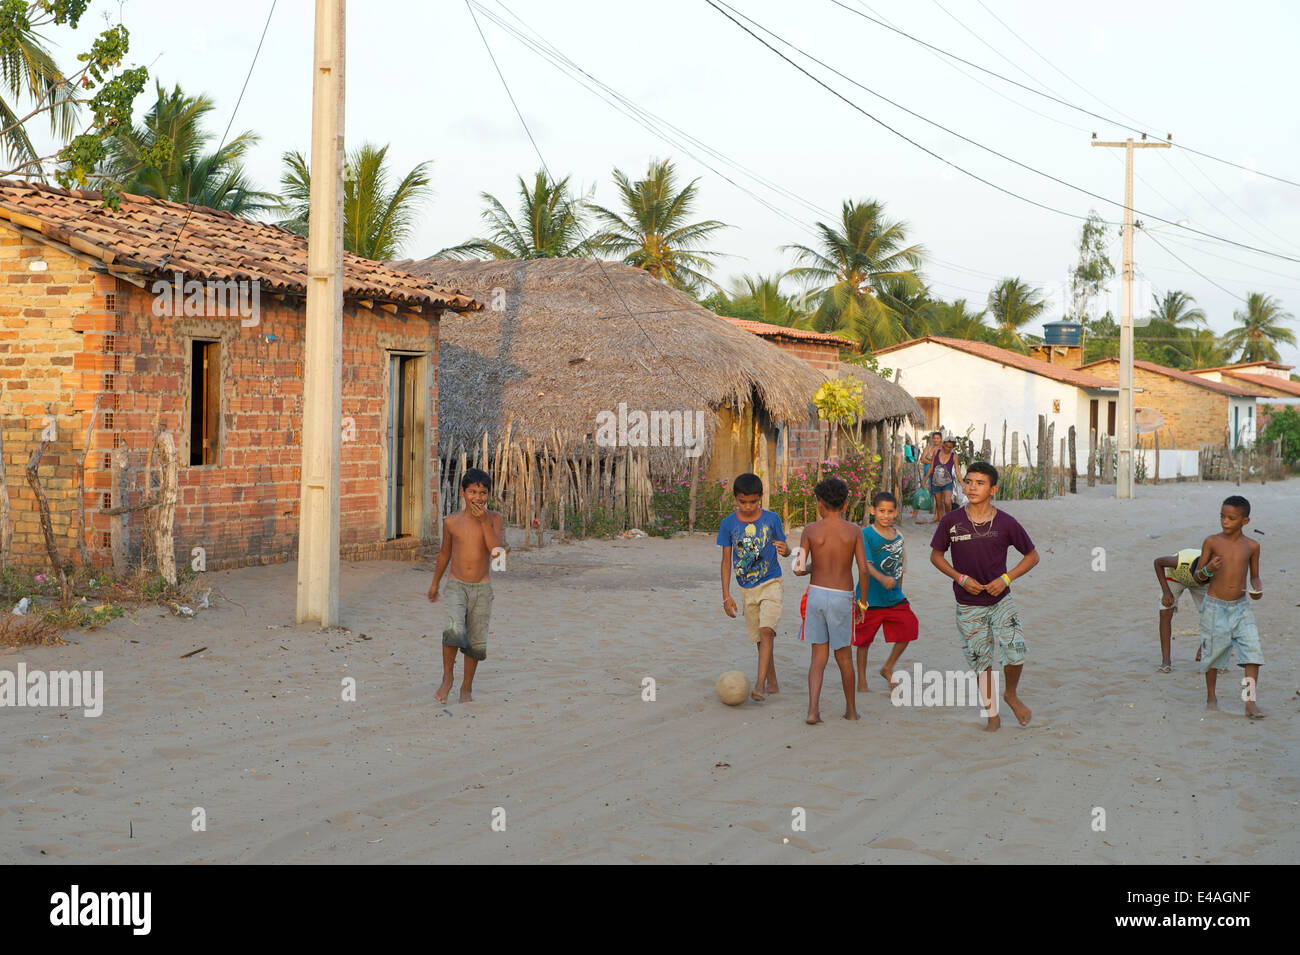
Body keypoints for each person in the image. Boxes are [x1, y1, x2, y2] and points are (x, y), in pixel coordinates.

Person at [929, 462, 1039, 732]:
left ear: (993, 489)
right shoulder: (951, 521)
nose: (972, 487)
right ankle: (992, 716)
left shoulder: (1005, 522)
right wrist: (960, 577)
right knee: (981, 661)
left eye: (980, 483)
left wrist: (1005, 579)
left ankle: (1010, 694)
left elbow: (1032, 556)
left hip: (1001, 601)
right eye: (968, 482)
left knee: (1016, 651)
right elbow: (936, 556)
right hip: (967, 605)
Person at [793, 476, 869, 724]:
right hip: (842, 596)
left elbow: (798, 568)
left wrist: (813, 566)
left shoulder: (811, 531)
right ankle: (851, 711)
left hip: (816, 594)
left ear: (819, 504)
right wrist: (863, 602)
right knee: (844, 657)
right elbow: (864, 570)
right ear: (845, 505)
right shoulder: (854, 531)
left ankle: (812, 710)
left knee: (818, 658)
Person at [428, 468, 506, 704]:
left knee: (475, 643)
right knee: (452, 631)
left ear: (489, 495)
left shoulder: (494, 519)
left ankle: (467, 687)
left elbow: (496, 552)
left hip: (482, 590)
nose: (478, 498)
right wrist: (435, 584)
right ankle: (447, 677)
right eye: (472, 491)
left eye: (483, 493)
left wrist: (483, 522)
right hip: (455, 586)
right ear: (462, 492)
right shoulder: (451, 522)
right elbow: (444, 555)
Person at [718, 473, 788, 701]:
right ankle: (773, 682)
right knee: (760, 638)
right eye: (742, 502)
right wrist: (726, 596)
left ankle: (760, 685)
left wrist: (785, 550)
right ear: (735, 499)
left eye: (753, 502)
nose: (748, 507)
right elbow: (726, 560)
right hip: (746, 589)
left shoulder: (772, 519)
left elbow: (784, 546)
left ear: (761, 498)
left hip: (771, 582)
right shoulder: (728, 524)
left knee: (767, 630)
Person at [1197, 495, 1265, 719]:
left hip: (1241, 607)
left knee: (1252, 653)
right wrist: (1209, 568)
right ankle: (1211, 697)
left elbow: (1255, 578)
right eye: (1222, 517)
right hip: (1215, 607)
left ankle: (1250, 702)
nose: (1225, 521)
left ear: (1245, 521)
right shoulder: (1212, 542)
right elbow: (1198, 577)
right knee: (1213, 656)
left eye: (1231, 518)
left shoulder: (1252, 546)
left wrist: (1257, 589)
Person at [853, 491, 918, 693]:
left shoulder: (898, 536)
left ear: (896, 512)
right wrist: (882, 579)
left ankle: (887, 667)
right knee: (863, 640)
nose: (886, 515)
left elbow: (900, 567)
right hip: (869, 598)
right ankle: (862, 682)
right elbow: (865, 565)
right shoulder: (865, 534)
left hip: (893, 597)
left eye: (890, 511)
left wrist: (898, 588)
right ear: (873, 510)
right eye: (881, 511)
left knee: (909, 626)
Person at [1153, 547, 1209, 672]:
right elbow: (1157, 562)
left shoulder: (1216, 572)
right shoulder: (1179, 561)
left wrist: (1204, 644)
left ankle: (1208, 652)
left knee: (1214, 615)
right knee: (1165, 611)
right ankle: (1165, 661)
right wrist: (1166, 592)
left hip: (1205, 583)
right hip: (1175, 577)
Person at [929, 435, 960, 524]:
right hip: (936, 481)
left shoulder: (954, 456)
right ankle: (942, 523)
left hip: (948, 482)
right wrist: (924, 481)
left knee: (947, 501)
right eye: (946, 446)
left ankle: (949, 519)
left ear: (953, 447)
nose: (947, 448)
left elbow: (957, 472)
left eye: (950, 447)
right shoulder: (936, 452)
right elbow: (931, 467)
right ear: (943, 445)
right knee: (938, 504)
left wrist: (962, 484)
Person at [916, 431, 942, 524]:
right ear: (932, 439)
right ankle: (914, 515)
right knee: (921, 491)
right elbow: (922, 459)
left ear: (941, 439)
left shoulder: (942, 450)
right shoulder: (928, 448)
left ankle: (936, 516)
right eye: (934, 438)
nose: (936, 440)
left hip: (937, 475)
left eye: (938, 438)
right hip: (927, 474)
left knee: (937, 495)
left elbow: (941, 462)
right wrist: (933, 462)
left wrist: (929, 460)